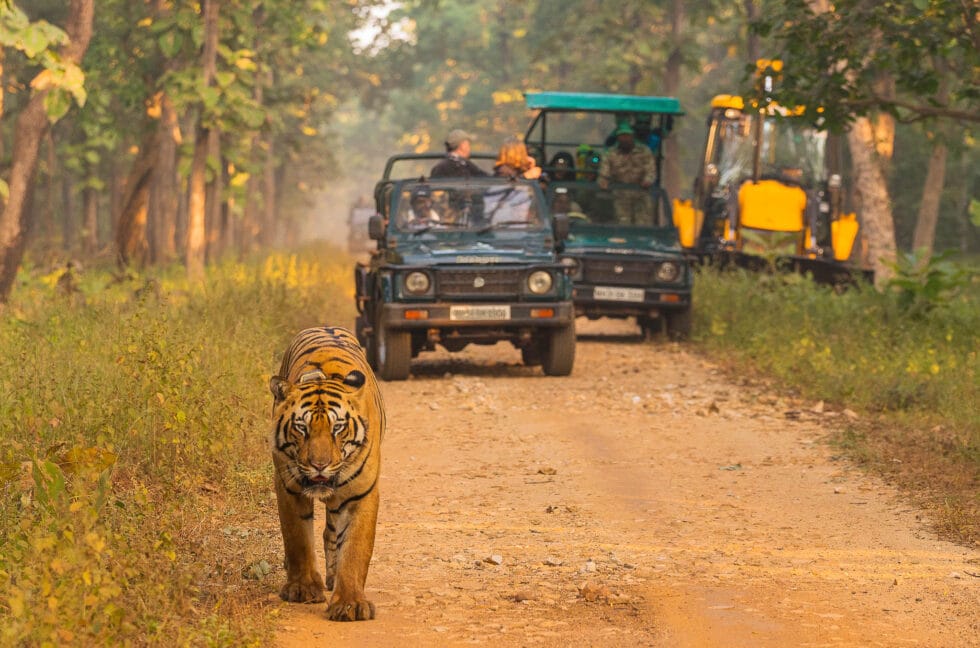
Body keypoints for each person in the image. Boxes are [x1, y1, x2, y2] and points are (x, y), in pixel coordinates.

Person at [598, 122, 656, 224]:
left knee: (643, 226)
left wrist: (648, 180)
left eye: (627, 135)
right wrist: (603, 181)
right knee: (623, 226)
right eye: (621, 136)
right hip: (620, 196)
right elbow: (604, 172)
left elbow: (651, 171)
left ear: (632, 136)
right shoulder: (610, 153)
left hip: (641, 195)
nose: (624, 139)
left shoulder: (644, 151)